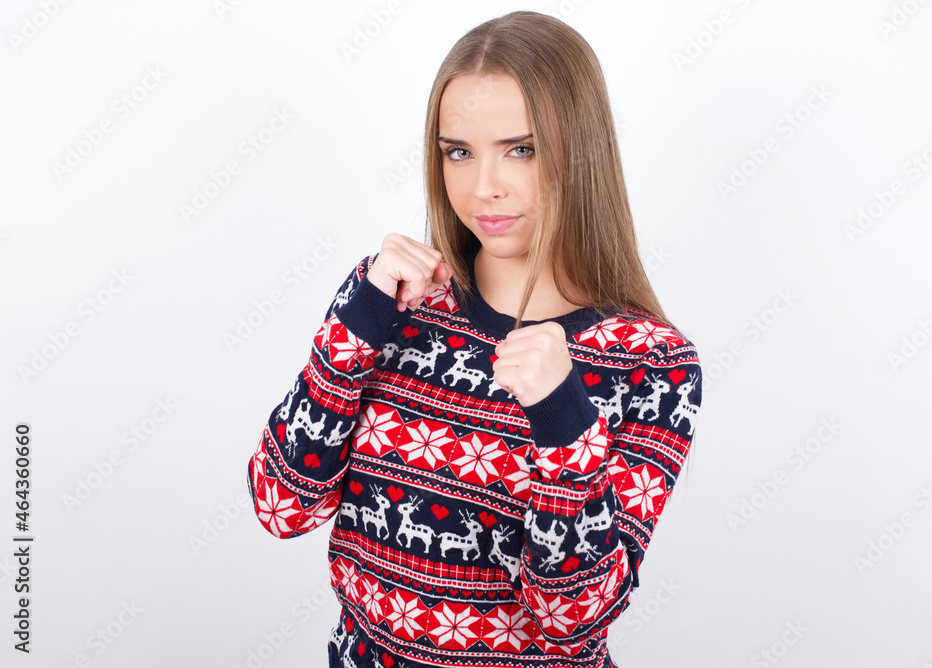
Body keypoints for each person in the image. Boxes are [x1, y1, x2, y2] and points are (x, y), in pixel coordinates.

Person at [247, 10, 703, 668]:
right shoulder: (392, 300)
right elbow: (281, 506)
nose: (483, 187)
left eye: (521, 149)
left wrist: (562, 419)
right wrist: (356, 329)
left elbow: (569, 620)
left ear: (581, 152)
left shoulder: (652, 364)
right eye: (458, 152)